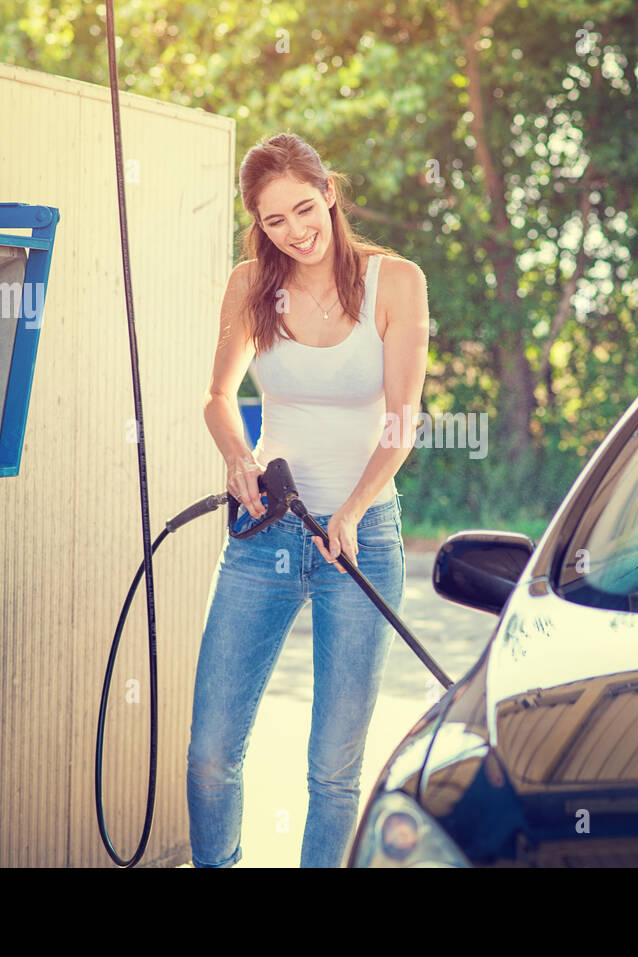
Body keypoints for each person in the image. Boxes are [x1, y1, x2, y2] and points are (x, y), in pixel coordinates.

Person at [188, 132, 430, 867]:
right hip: (265, 533)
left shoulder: (397, 283)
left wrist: (351, 511)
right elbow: (219, 397)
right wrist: (238, 455)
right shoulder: (249, 287)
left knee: (332, 772)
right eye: (273, 222)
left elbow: (401, 422)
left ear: (329, 191)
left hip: (362, 538)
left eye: (303, 208)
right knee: (210, 754)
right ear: (257, 227)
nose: (296, 232)